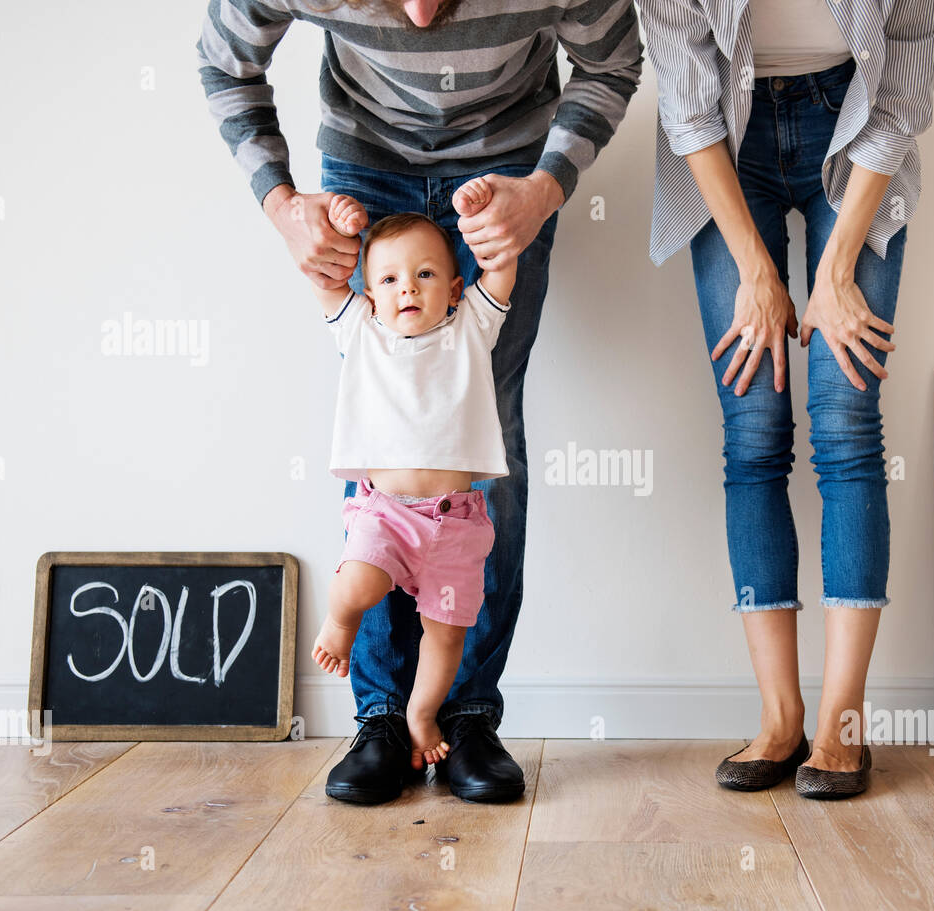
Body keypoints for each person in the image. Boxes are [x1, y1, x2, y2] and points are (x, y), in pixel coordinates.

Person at [197, 0, 643, 803]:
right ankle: (380, 720)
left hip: (507, 165)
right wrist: (282, 203)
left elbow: (613, 62)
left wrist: (544, 189)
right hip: (365, 165)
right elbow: (226, 62)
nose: (422, 15)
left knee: (491, 428)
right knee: (380, 432)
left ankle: (464, 713)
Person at [637, 0, 934, 797]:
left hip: (852, 127)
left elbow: (903, 98)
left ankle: (843, 725)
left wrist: (837, 267)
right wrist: (755, 270)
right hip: (724, 149)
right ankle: (781, 718)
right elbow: (687, 105)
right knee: (752, 427)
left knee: (847, 420)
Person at [309, 182, 515, 778]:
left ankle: (423, 717)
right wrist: (345, 229)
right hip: (384, 513)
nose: (408, 288)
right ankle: (342, 626)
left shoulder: (470, 329)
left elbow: (500, 268)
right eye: (392, 279)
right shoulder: (362, 333)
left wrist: (482, 216)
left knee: (445, 636)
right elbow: (325, 279)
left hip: (455, 526)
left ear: (453, 291)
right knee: (356, 583)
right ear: (369, 295)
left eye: (426, 275)